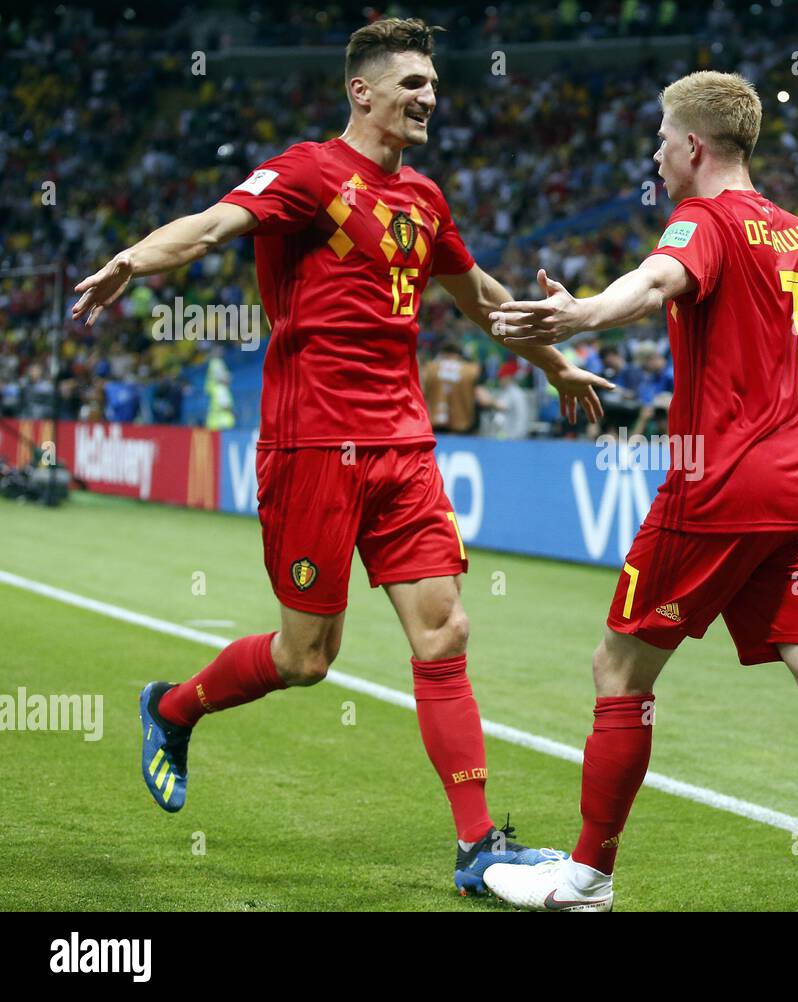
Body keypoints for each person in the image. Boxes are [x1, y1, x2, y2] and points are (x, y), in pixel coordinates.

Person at [71, 17, 611, 894]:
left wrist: (554, 360)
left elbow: (476, 295)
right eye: (412, 83)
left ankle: (478, 848)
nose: (429, 97)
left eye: (434, 84)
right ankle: (171, 708)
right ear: (362, 91)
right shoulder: (309, 173)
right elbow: (213, 227)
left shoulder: (427, 198)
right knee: (306, 660)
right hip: (312, 444)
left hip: (402, 443)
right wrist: (134, 258)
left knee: (445, 631)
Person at [482, 70, 798, 912]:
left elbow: (654, 283)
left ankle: (587, 877)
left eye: (661, 139)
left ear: (693, 146)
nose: (655, 152)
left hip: (719, 489)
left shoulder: (701, 221)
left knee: (620, 667)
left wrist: (581, 315)